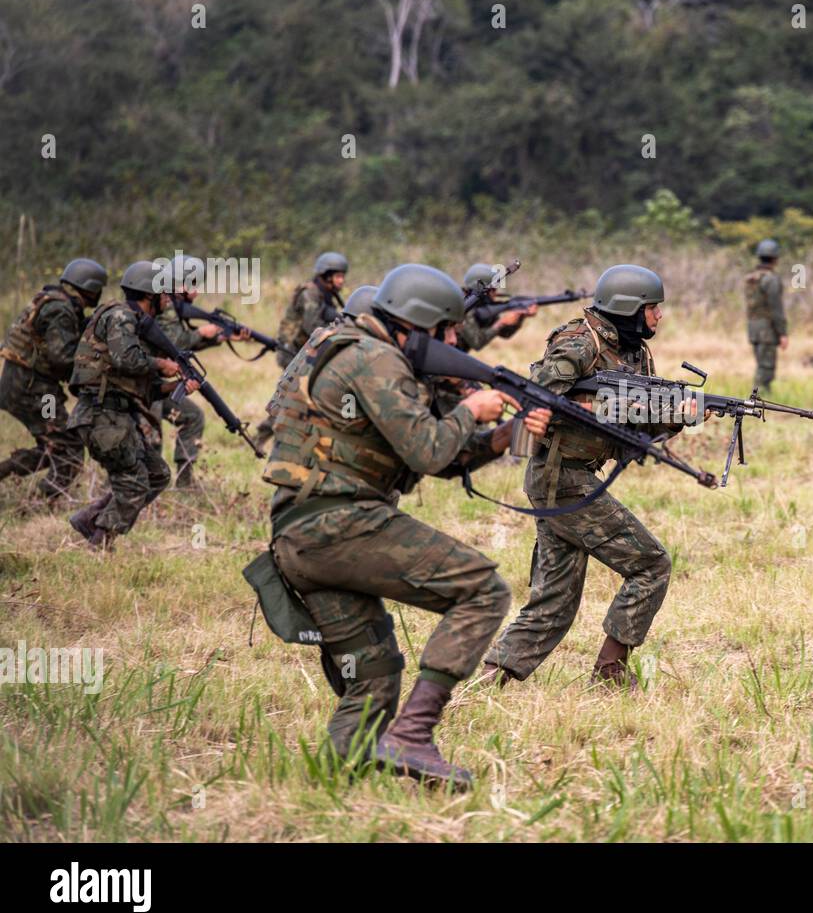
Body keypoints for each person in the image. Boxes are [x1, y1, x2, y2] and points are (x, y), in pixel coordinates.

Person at [259, 263, 550, 786]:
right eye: (449, 330)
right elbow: (431, 449)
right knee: (483, 590)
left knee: (372, 673)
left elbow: (432, 459)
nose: (457, 341)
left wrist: (505, 436)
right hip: (339, 526)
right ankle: (413, 735)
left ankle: (332, 786)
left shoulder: (362, 354)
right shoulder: (373, 358)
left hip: (301, 538)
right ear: (421, 326)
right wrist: (472, 411)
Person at [482, 265, 690, 691]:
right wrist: (613, 409)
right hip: (560, 479)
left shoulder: (634, 353)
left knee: (553, 603)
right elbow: (537, 399)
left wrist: (676, 416)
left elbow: (636, 426)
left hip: (569, 477)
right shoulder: (579, 342)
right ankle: (609, 673)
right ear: (630, 308)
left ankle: (484, 686)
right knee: (651, 564)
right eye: (653, 308)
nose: (659, 317)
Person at [66, 261, 198, 548]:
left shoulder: (134, 326)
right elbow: (127, 360)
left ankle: (90, 517)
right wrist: (161, 363)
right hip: (101, 416)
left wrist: (176, 386)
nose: (168, 300)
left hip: (115, 416)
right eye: (163, 294)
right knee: (135, 482)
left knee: (157, 474)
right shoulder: (121, 317)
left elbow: (145, 392)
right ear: (149, 295)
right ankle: (100, 539)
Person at [0, 258, 106, 500]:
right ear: (91, 288)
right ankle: (46, 498)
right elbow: (61, 358)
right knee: (68, 443)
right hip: (36, 392)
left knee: (54, 443)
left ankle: (8, 471)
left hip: (24, 386)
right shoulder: (61, 310)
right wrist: (96, 366)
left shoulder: (51, 300)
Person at [151, 254, 250, 487]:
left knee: (193, 416)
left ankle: (185, 484)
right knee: (149, 436)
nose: (196, 292)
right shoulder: (163, 305)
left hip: (158, 383)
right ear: (180, 283)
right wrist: (202, 333)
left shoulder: (174, 306)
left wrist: (217, 338)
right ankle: (137, 487)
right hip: (145, 381)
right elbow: (174, 342)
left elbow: (182, 345)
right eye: (193, 285)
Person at [253, 252, 349, 452]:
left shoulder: (326, 294)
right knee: (292, 399)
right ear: (326, 275)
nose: (342, 280)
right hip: (294, 353)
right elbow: (312, 326)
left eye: (342, 276)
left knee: (300, 398)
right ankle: (263, 436)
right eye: (338, 276)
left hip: (307, 352)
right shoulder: (310, 293)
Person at [459, 262, 537, 352]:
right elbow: (477, 342)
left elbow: (505, 333)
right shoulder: (463, 305)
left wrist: (521, 314)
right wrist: (500, 323)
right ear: (481, 289)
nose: (496, 294)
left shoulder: (482, 307)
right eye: (493, 290)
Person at [744, 239, 787, 393]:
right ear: (775, 258)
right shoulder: (771, 279)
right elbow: (776, 309)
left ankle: (759, 393)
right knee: (767, 366)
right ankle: (760, 395)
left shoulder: (751, 277)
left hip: (753, 328)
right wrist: (782, 333)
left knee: (761, 363)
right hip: (767, 329)